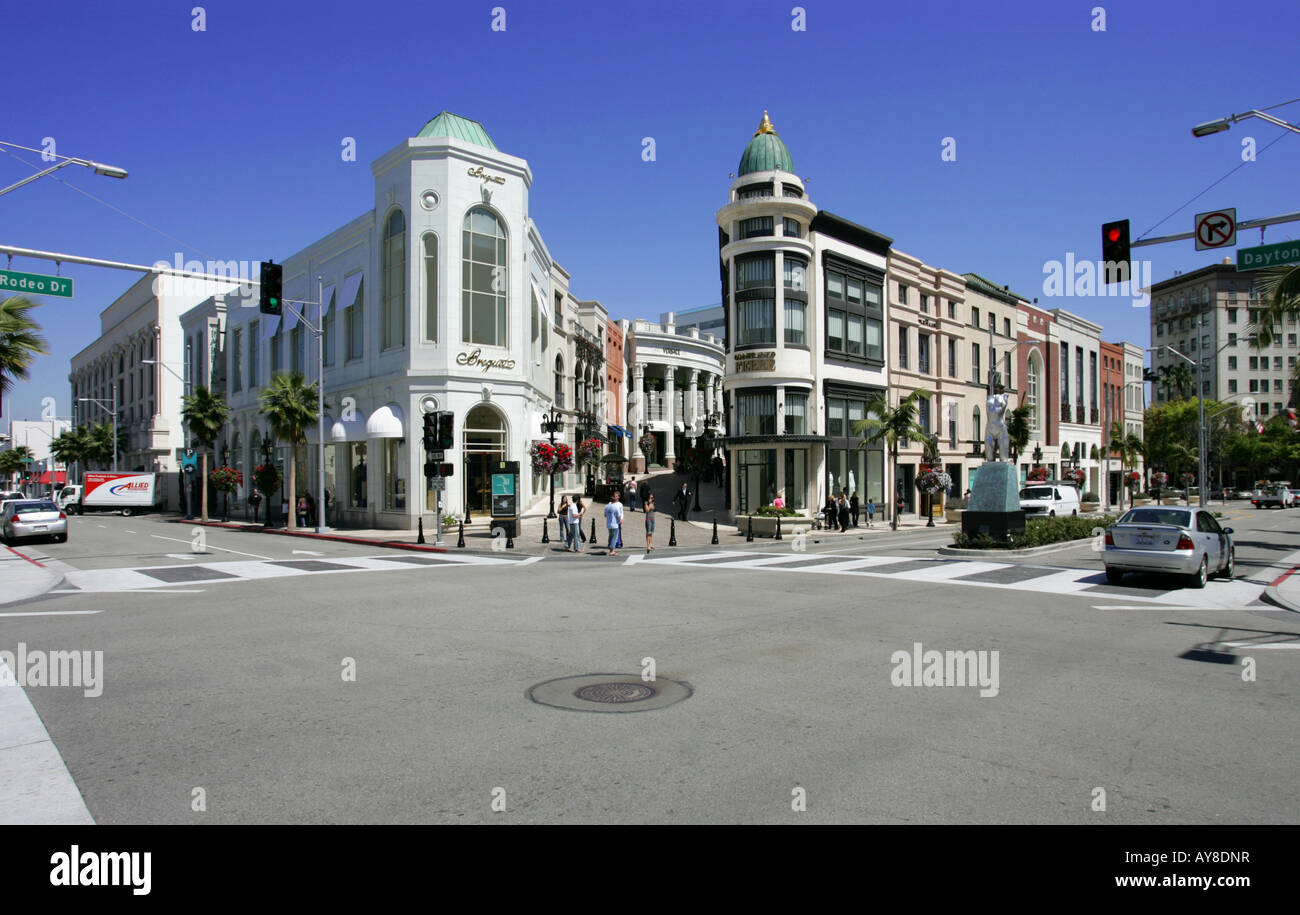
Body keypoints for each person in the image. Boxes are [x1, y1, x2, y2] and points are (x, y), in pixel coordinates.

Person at [604, 490, 624, 555]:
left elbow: (605, 515)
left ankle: (610, 547)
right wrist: (620, 520)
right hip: (615, 524)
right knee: (614, 537)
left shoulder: (607, 506)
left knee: (610, 536)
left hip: (609, 524)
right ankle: (611, 550)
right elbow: (619, 515)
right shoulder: (616, 507)